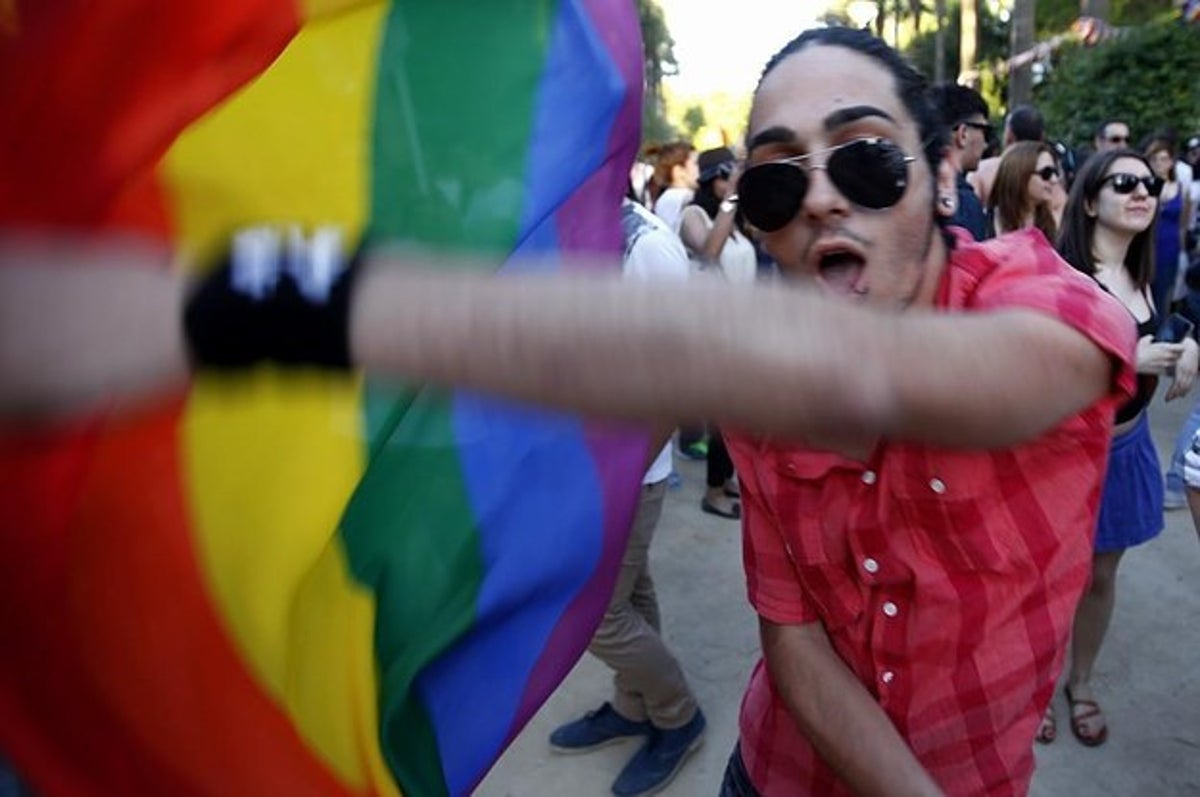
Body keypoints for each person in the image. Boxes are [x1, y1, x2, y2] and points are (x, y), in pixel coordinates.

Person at [2, 25, 1137, 797]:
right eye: (780, 179)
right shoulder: (759, 386)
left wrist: (248, 305)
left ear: (946, 176)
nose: (822, 194)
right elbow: (794, 643)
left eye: (869, 159)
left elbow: (871, 376)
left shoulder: (1055, 308)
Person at [547, 198, 705, 797]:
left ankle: (679, 713)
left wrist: (624, 471)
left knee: (592, 616)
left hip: (626, 473)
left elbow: (677, 377)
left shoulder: (647, 249)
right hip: (591, 464)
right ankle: (635, 706)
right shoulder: (577, 224)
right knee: (631, 596)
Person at [1051, 147, 1198, 748]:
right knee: (1052, 578)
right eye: (1124, 182)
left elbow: (1183, 315)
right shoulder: (1062, 277)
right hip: (1064, 457)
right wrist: (1122, 361)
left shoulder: (1148, 272)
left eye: (1150, 183)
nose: (1142, 191)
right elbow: (1035, 377)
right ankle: (1036, 685)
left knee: (1101, 575)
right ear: (1090, 200)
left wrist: (1188, 342)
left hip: (1128, 448)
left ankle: (1079, 682)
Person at [678, 146, 756, 519]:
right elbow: (709, 252)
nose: (732, 184)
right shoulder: (693, 214)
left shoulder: (736, 221)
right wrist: (735, 198)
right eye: (727, 177)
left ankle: (725, 481)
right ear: (713, 180)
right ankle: (712, 492)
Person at [927, 83, 991, 240]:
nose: (986, 143)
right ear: (963, 134)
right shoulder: (965, 203)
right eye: (985, 132)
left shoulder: (911, 190)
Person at [1145, 138, 1192, 314]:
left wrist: (1183, 252)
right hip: (1148, 247)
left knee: (1165, 294)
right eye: (1155, 159)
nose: (1159, 164)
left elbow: (1184, 223)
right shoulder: (1144, 187)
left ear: (1171, 162)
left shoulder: (1180, 187)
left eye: (1164, 159)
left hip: (1170, 247)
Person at [969, 103, 1045, 207]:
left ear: (1009, 135)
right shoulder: (1049, 176)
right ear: (1041, 137)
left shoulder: (982, 171)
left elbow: (971, 211)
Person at [986, 140, 1060, 239]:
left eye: (1056, 172)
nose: (1054, 180)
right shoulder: (985, 222)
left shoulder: (1051, 224)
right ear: (1021, 175)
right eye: (1046, 173)